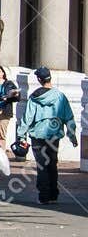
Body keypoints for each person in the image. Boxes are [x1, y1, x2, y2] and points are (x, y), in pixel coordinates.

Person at [17, 67, 78, 205]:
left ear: (39, 79)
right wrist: (72, 136)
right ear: (50, 78)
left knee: (42, 166)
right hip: (54, 136)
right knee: (52, 164)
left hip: (38, 135)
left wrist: (21, 136)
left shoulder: (34, 97)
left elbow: (27, 118)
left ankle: (44, 196)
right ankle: (53, 195)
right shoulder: (60, 96)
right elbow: (68, 117)